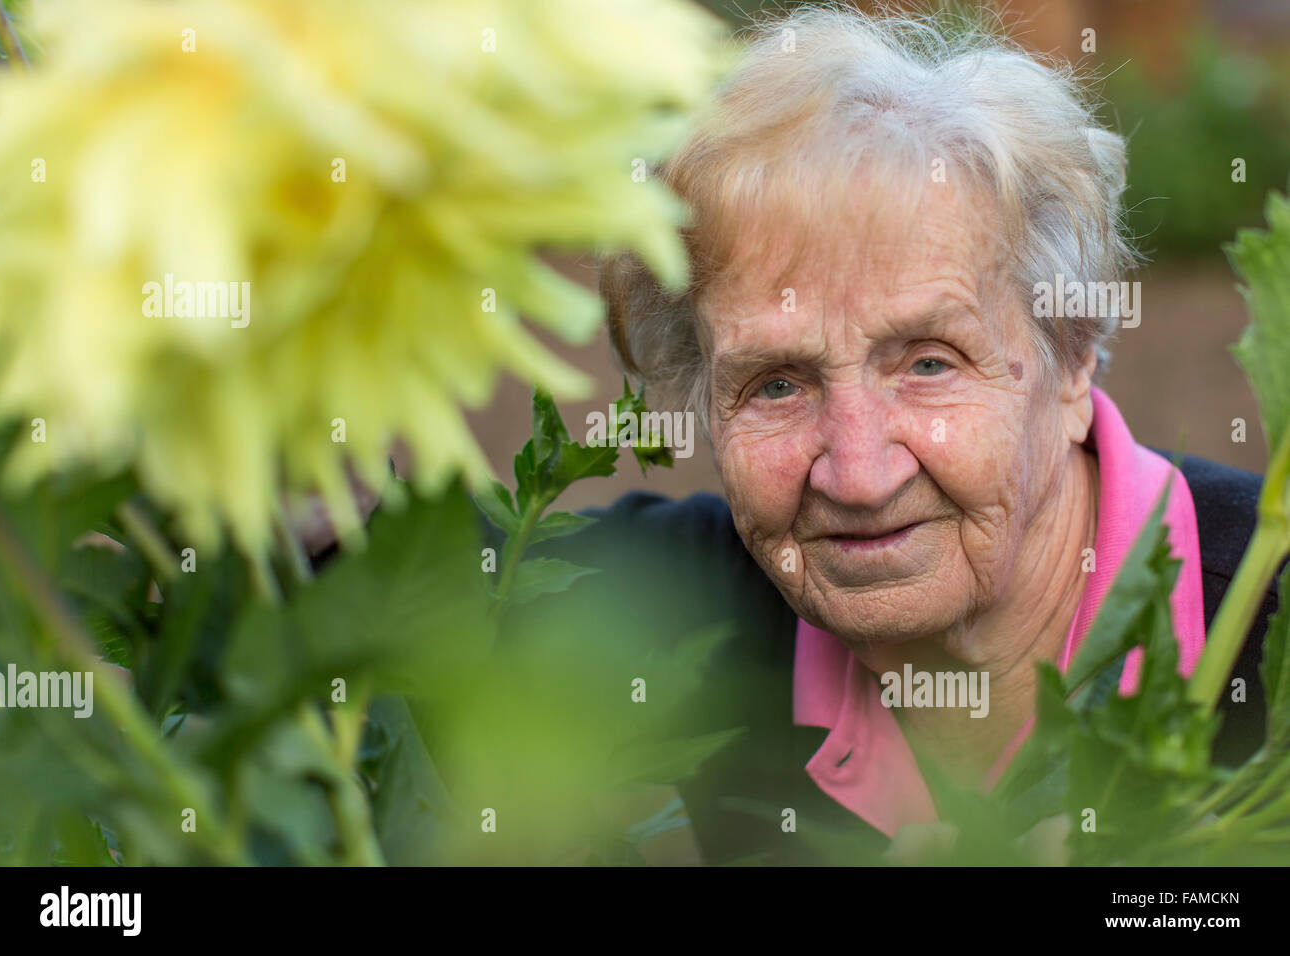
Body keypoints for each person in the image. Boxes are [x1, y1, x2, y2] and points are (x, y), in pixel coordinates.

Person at [515, 7, 1281, 865]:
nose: (859, 474)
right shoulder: (687, 611)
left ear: (1069, 360)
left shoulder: (1265, 619)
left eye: (927, 364)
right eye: (776, 383)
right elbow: (379, 580)